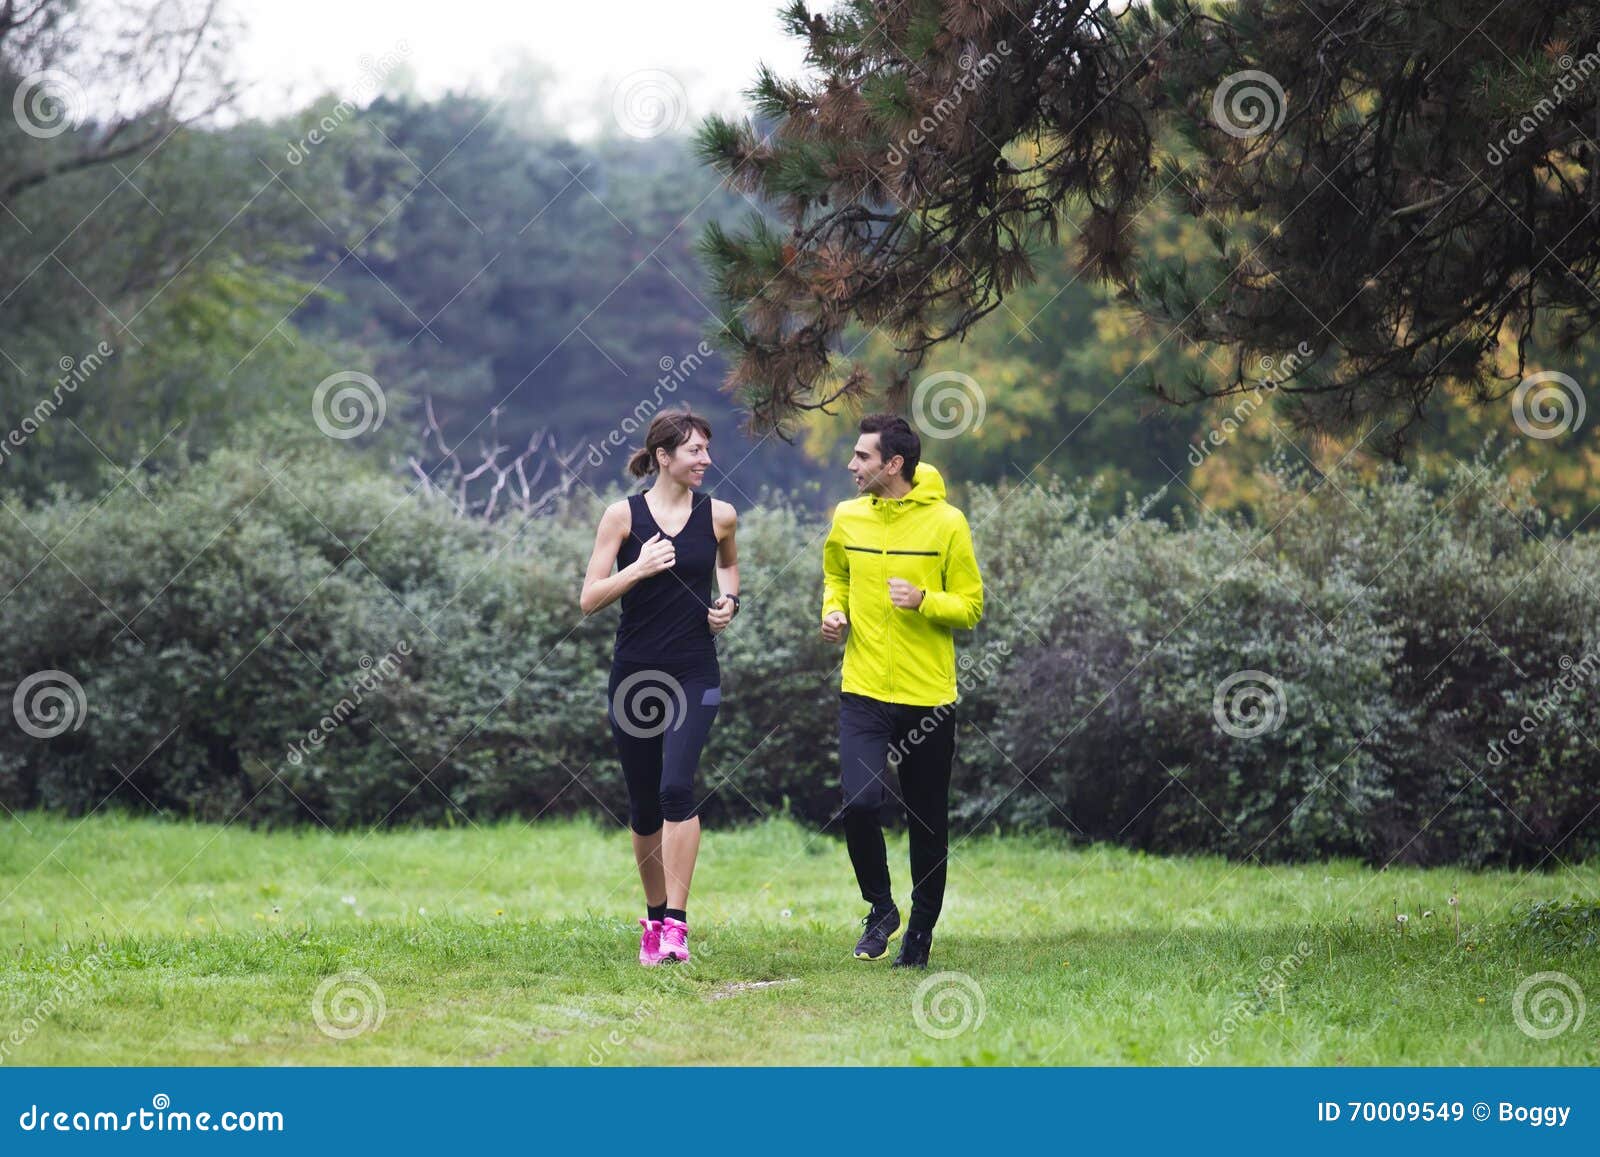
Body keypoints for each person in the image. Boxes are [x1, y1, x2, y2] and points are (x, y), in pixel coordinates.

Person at [820, 413, 983, 969]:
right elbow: (835, 577)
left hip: (928, 698)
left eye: (862, 457)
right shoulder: (847, 517)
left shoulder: (947, 524)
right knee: (859, 803)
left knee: (927, 819)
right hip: (862, 688)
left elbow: (971, 606)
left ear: (894, 464)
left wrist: (924, 601)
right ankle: (881, 909)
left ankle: (919, 932)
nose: (851, 465)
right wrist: (834, 612)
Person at [580, 407, 739, 966]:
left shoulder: (720, 516)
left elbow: (730, 570)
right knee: (645, 804)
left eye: (707, 449)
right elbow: (589, 599)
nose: (706, 460)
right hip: (635, 676)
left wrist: (729, 604)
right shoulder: (621, 518)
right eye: (695, 450)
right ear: (664, 457)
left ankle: (677, 925)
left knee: (677, 788)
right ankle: (652, 919)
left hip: (696, 672)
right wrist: (639, 568)